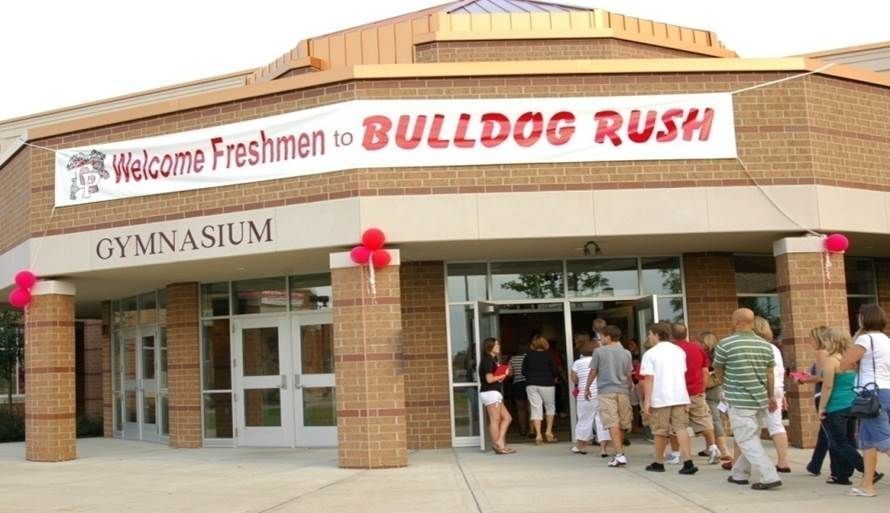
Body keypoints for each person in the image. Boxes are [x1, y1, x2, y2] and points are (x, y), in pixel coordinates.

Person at [713, 308, 782, 490]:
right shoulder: (765, 345)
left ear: (736, 322)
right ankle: (739, 473)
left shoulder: (725, 344)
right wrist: (770, 396)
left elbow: (718, 370)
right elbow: (770, 375)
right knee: (751, 437)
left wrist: (725, 385)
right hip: (760, 400)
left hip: (739, 400)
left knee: (746, 439)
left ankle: (769, 475)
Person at [840, 304, 890, 497]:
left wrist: (855, 339)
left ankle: (867, 485)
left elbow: (845, 362)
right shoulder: (886, 340)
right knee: (867, 442)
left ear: (863, 319)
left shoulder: (865, 338)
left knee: (885, 440)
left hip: (871, 394)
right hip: (885, 391)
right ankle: (867, 485)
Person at [818, 327, 878, 486]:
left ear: (831, 340)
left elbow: (827, 386)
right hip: (852, 404)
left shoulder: (832, 360)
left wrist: (821, 407)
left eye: (826, 339)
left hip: (835, 406)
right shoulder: (853, 361)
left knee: (838, 442)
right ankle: (842, 475)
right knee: (849, 441)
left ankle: (867, 470)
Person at [641, 322, 698, 475]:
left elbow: (649, 379)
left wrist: (647, 401)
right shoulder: (679, 351)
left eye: (650, 334)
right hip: (680, 395)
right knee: (681, 428)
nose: (649, 337)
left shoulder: (650, 354)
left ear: (656, 334)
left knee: (660, 430)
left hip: (661, 397)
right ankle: (688, 461)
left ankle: (658, 462)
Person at [672, 323, 722, 465]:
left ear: (671, 335)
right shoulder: (697, 349)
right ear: (686, 333)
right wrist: (702, 388)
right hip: (696, 392)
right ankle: (712, 448)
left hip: (677, 394)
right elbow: (705, 371)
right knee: (704, 421)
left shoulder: (672, 350)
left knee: (677, 425)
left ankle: (676, 454)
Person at [586, 325, 633, 467]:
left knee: (612, 422)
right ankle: (619, 451)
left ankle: (619, 454)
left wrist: (587, 387)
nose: (600, 339)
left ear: (608, 337)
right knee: (622, 422)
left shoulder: (598, 352)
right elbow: (629, 373)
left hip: (606, 391)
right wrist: (630, 385)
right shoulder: (626, 353)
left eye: (601, 336)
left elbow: (593, 371)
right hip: (623, 390)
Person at [752, 317, 792, 473]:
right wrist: (782, 394)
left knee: (747, 427)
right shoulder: (774, 348)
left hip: (759, 389)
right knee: (776, 426)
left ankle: (738, 462)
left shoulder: (754, 348)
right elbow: (780, 372)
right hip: (776, 388)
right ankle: (783, 462)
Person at [571, 339, 611, 456]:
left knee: (584, 420)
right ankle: (603, 449)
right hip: (600, 394)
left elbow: (574, 379)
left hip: (585, 395)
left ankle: (580, 446)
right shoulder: (601, 361)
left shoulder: (578, 363)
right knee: (602, 421)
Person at [801, 326, 831, 477]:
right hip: (828, 393)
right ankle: (815, 464)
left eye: (812, 338)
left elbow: (821, 377)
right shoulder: (833, 353)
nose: (810, 341)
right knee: (825, 432)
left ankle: (818, 464)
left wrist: (805, 379)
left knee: (828, 432)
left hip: (821, 394)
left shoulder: (821, 352)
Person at [698, 331, 732, 463]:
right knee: (711, 418)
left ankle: (724, 450)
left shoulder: (707, 355)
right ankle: (709, 447)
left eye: (701, 342)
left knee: (713, 419)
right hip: (720, 388)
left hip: (710, 389)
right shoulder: (720, 352)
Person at [479, 337, 515, 455]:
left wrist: (503, 374)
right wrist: (502, 375)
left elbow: (495, 379)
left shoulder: (492, 360)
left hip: (493, 392)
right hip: (490, 392)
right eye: (496, 345)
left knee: (507, 418)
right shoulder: (487, 360)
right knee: (495, 419)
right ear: (490, 347)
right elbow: (489, 379)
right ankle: (498, 446)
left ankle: (500, 443)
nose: (499, 346)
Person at [522, 335, 559, 444]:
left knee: (535, 408)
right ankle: (548, 432)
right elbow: (555, 371)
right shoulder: (549, 355)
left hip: (531, 384)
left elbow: (523, 371)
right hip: (547, 384)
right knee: (550, 407)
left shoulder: (528, 356)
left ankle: (538, 435)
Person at [509, 344, 530, 437]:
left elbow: (510, 374)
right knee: (531, 408)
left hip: (517, 385)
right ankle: (533, 430)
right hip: (529, 383)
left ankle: (523, 430)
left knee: (521, 409)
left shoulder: (512, 359)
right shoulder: (529, 358)